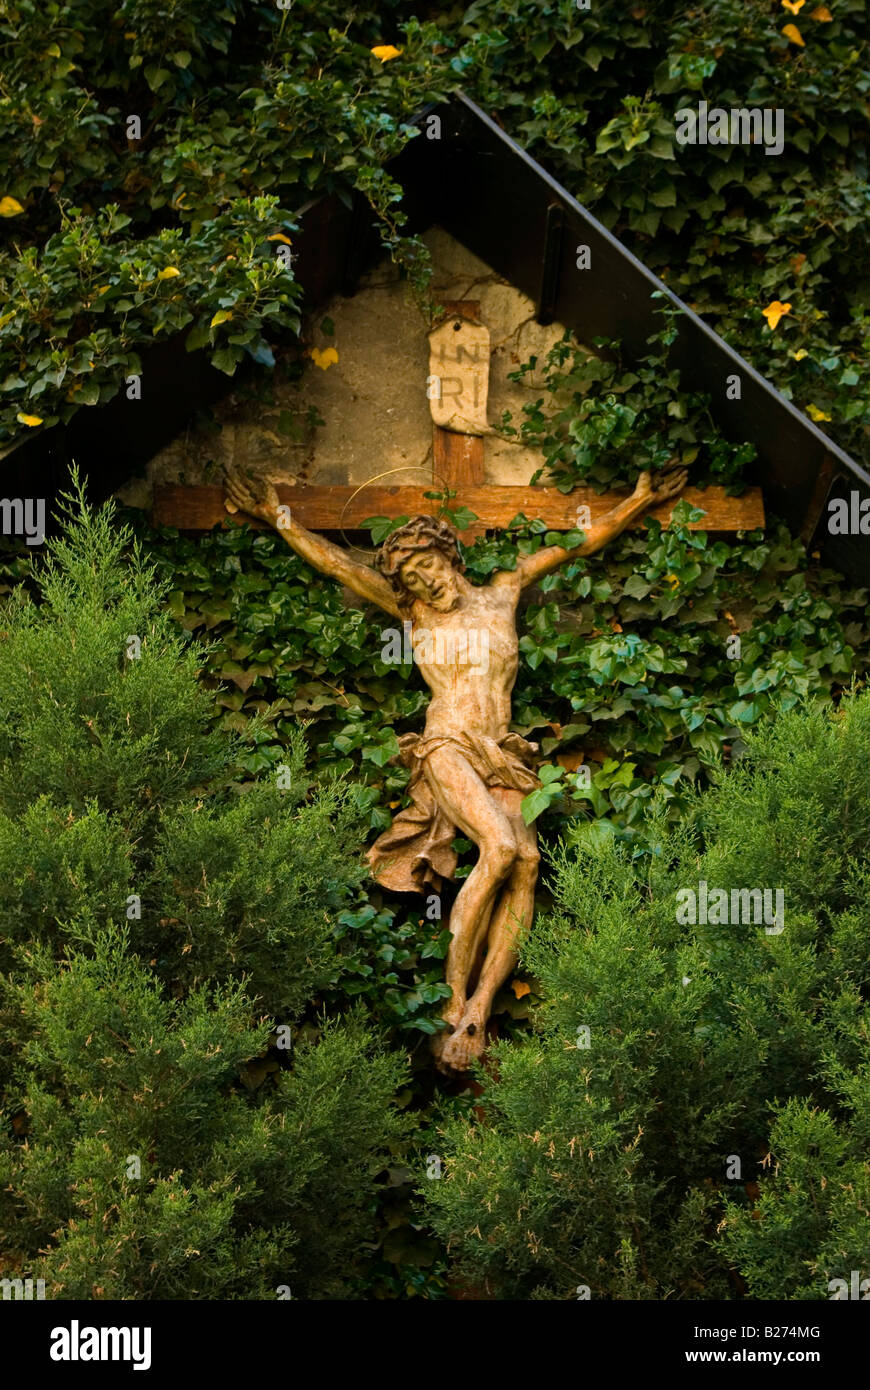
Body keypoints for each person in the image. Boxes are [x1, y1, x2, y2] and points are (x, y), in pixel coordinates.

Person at [224, 463, 687, 1069]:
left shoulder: (505, 591)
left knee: (526, 864)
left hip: (503, 750)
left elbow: (576, 544)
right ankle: (449, 1002)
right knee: (499, 846)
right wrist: (275, 515)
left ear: (449, 557)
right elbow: (340, 566)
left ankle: (479, 1010)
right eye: (412, 579)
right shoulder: (415, 616)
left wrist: (637, 499)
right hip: (446, 742)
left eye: (429, 567)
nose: (425, 583)